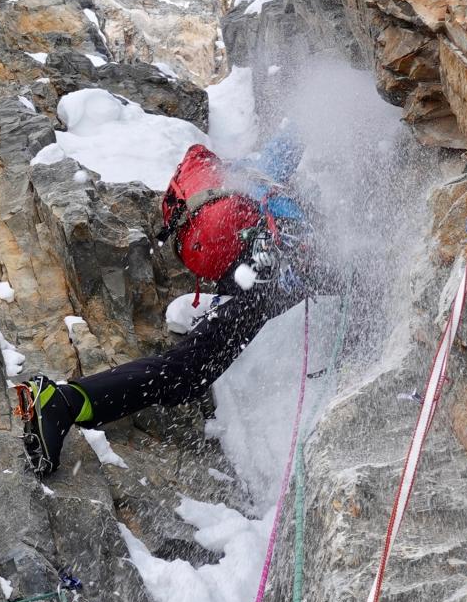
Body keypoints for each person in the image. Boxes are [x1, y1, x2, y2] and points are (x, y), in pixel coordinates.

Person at [21, 129, 336, 474]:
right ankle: (63, 402)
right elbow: (298, 133)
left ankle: (68, 402)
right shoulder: (273, 196)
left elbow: (294, 136)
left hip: (251, 275)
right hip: (269, 272)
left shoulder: (244, 181)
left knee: (187, 369)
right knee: (187, 369)